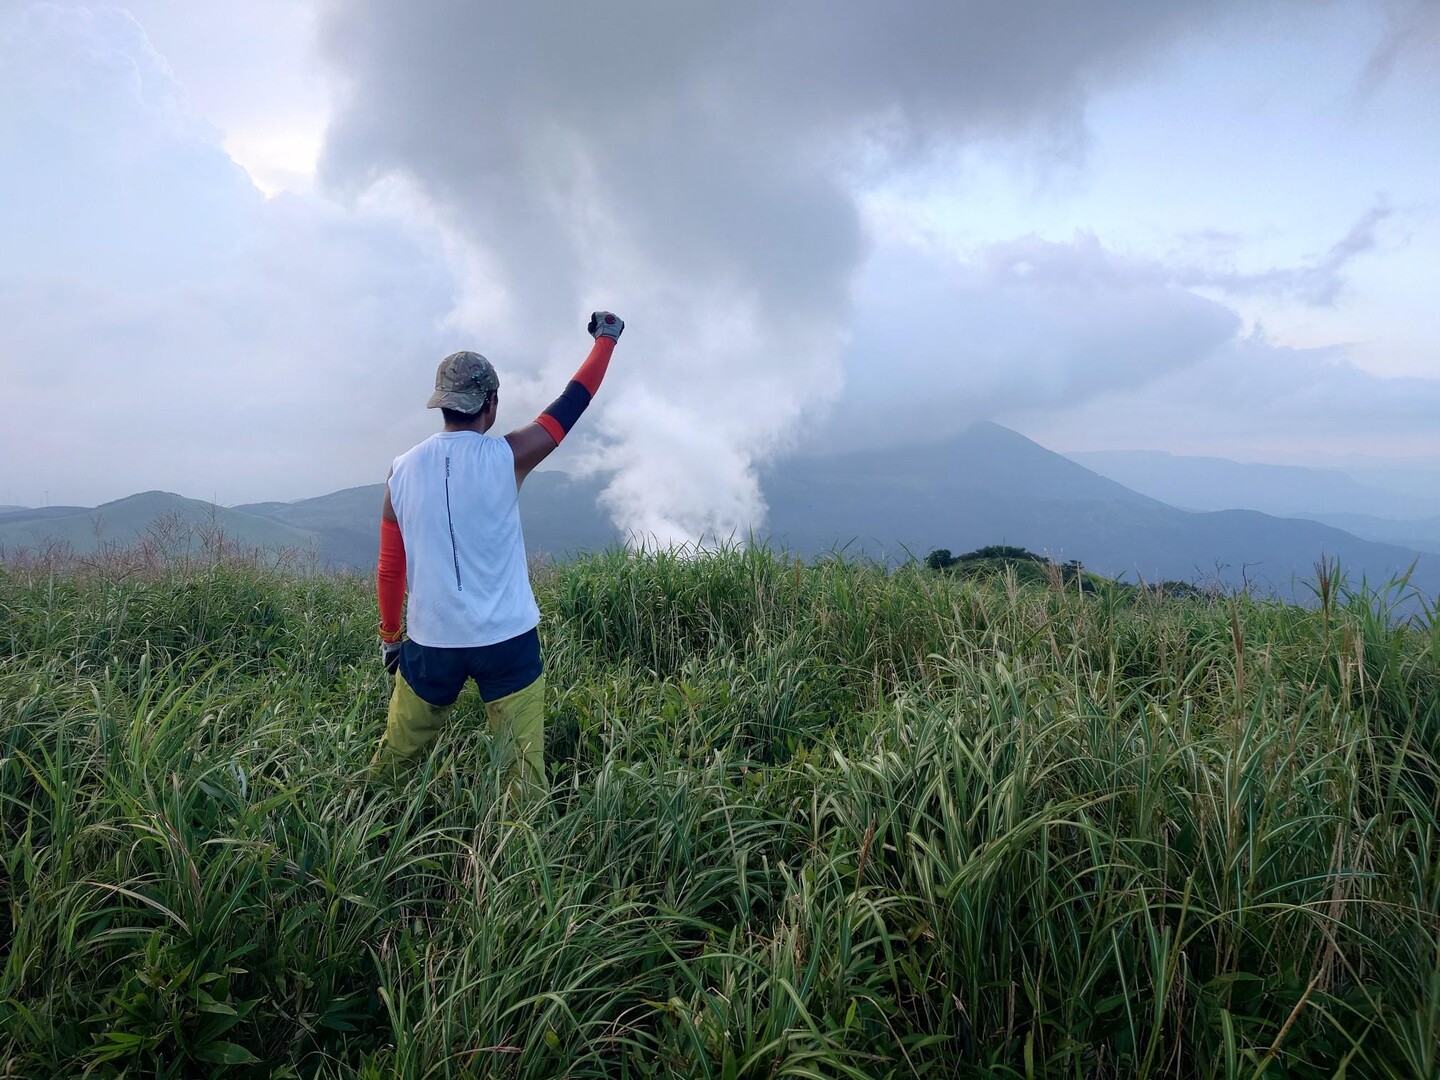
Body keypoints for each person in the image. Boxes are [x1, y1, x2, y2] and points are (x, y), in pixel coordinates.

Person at [371, 311, 624, 788]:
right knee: (522, 782)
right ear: (490, 403)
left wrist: (390, 637)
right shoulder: (509, 456)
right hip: (508, 643)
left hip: (431, 643)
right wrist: (606, 338)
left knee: (392, 771)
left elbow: (391, 567)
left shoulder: (399, 472)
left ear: (442, 404)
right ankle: (516, 853)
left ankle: (368, 835)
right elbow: (572, 403)